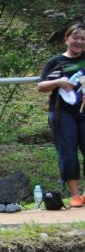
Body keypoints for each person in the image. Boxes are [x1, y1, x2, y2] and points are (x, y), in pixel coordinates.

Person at [38, 22, 85, 208]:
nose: (79, 41)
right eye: (75, 37)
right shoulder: (57, 61)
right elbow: (40, 86)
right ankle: (75, 195)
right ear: (67, 39)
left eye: (82, 39)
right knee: (68, 153)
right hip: (63, 113)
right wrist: (58, 82)